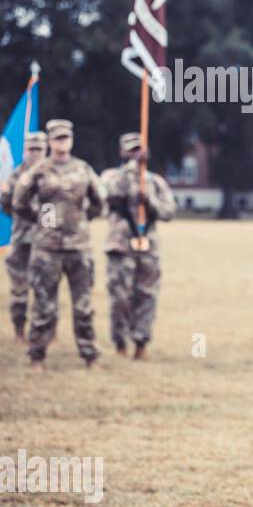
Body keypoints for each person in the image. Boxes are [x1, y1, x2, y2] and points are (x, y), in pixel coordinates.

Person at [11, 119, 104, 367]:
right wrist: (40, 220)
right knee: (44, 305)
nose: (62, 142)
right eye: (57, 138)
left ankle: (89, 355)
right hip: (47, 248)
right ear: (49, 141)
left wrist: (82, 221)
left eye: (66, 138)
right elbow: (19, 203)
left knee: (83, 306)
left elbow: (99, 202)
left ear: (72, 140)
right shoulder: (39, 171)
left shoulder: (83, 169)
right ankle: (37, 355)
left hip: (78, 247)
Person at [101, 132, 178, 359]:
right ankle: (120, 343)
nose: (136, 154)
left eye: (139, 150)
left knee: (147, 296)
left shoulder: (155, 182)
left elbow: (169, 212)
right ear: (122, 152)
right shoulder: (113, 176)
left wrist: (149, 201)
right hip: (121, 245)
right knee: (120, 297)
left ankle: (141, 343)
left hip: (148, 247)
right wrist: (132, 173)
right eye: (131, 149)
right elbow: (107, 195)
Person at [0, 131, 48, 341]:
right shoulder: (16, 176)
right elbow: (7, 206)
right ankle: (19, 329)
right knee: (19, 288)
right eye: (31, 149)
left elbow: (52, 209)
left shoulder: (52, 174)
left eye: (39, 149)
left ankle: (47, 329)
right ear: (25, 150)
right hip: (21, 239)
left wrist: (47, 227)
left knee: (46, 288)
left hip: (46, 241)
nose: (35, 153)